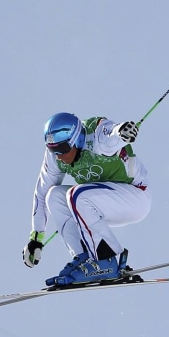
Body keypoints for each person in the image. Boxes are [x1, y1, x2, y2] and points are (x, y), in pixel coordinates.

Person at [21, 112, 150, 287]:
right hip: (101, 203)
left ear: (77, 139)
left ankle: (108, 259)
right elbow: (42, 191)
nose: (59, 155)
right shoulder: (56, 157)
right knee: (55, 196)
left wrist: (123, 132)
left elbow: (113, 134)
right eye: (53, 149)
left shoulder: (97, 137)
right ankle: (86, 258)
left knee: (76, 195)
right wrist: (36, 237)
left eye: (64, 148)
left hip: (134, 198)